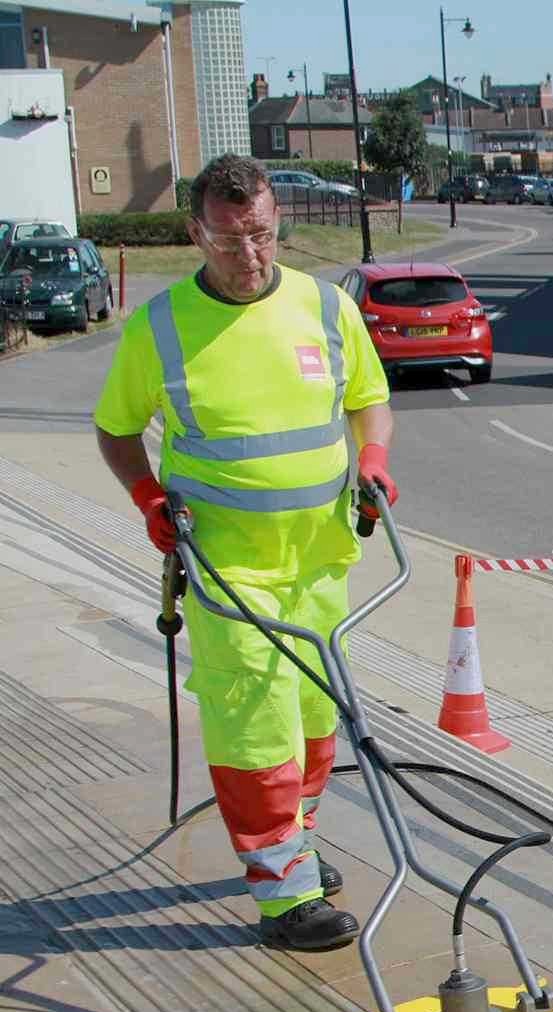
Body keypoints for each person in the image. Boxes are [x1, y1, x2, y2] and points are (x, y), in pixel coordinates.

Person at [91, 154, 397, 952]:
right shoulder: (160, 329)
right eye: (229, 241)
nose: (250, 256)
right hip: (231, 575)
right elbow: (116, 431)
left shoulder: (327, 309)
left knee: (315, 721)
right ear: (196, 233)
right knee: (257, 732)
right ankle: (284, 898)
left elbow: (369, 400)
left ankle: (293, 848)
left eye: (261, 235)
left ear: (276, 224)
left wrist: (372, 463)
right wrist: (149, 498)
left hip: (322, 564)